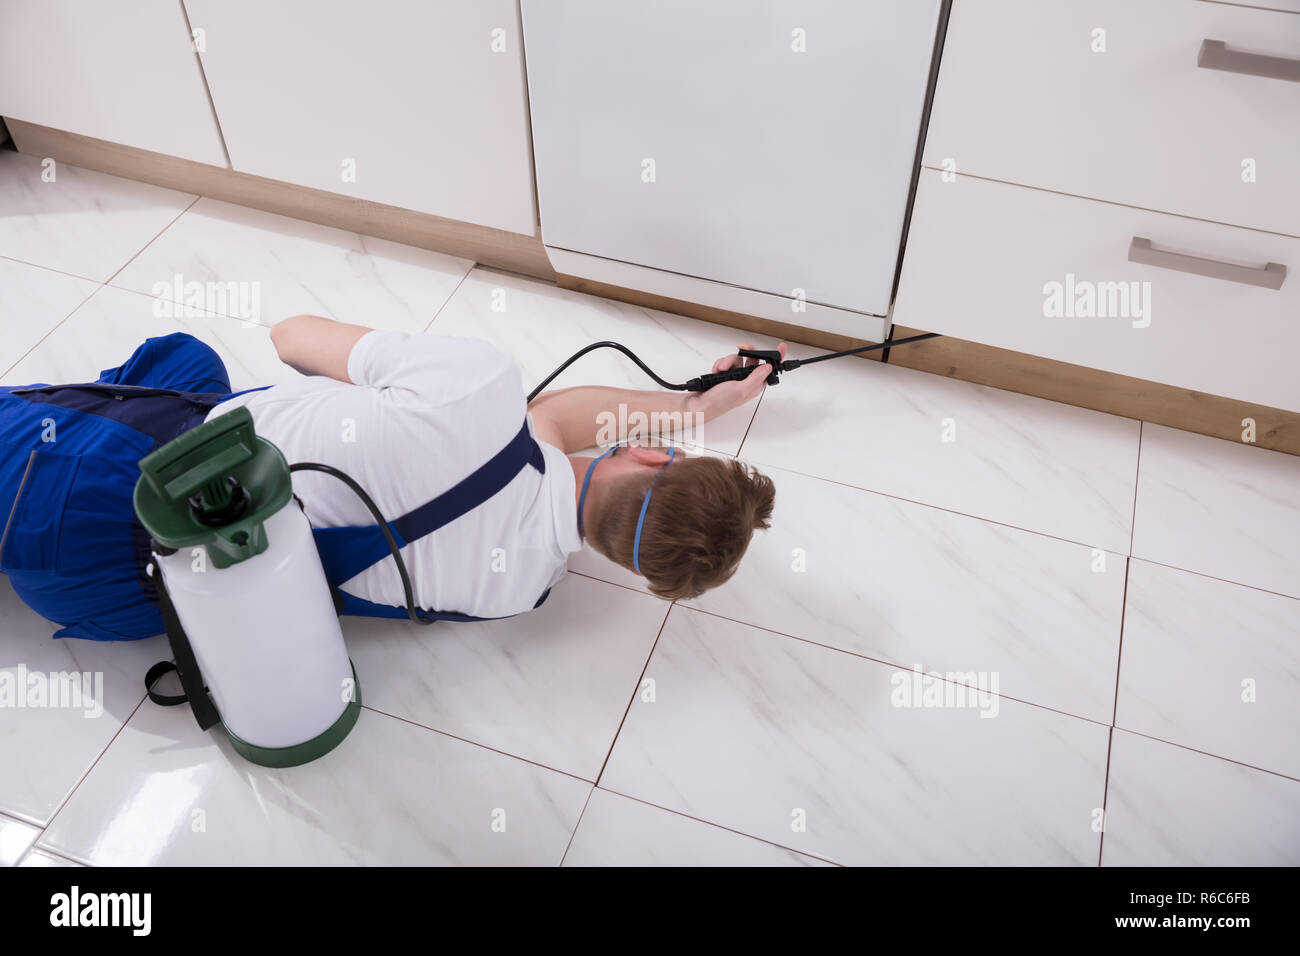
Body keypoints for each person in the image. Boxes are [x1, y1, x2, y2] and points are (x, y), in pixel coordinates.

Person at [0, 314, 778, 640]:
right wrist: (696, 405)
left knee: (179, 375)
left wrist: (694, 408)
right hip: (116, 607)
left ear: (649, 455)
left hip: (99, 484)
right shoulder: (518, 594)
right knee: (184, 363)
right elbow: (547, 429)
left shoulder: (477, 387)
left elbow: (291, 336)